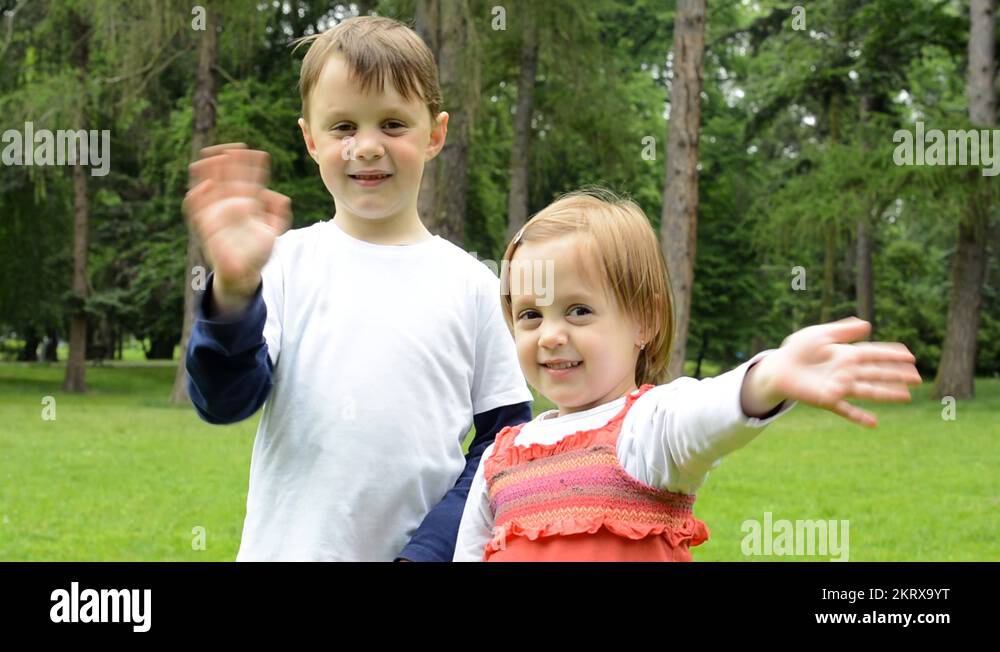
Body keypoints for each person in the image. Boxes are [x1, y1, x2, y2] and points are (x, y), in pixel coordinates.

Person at [182, 16, 533, 561]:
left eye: (393, 124)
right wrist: (232, 290)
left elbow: (503, 447)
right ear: (311, 139)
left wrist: (430, 551)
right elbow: (224, 401)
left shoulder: (473, 286)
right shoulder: (283, 265)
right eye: (344, 127)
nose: (366, 147)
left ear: (435, 134)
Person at [453, 189, 921, 561]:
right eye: (531, 315)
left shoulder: (646, 429)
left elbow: (705, 414)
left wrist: (771, 375)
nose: (551, 335)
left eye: (578, 310)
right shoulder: (500, 457)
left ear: (644, 321)